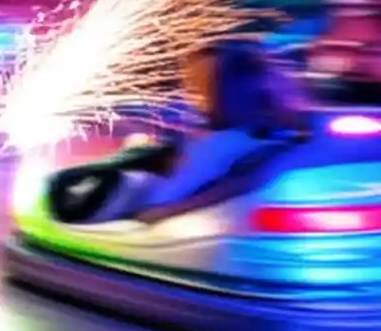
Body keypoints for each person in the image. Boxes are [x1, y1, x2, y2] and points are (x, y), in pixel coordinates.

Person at [85, 41, 305, 223]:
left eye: (199, 82)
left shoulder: (248, 145)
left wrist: (169, 211)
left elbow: (247, 179)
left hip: (155, 208)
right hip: (144, 196)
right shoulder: (212, 130)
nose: (190, 89)